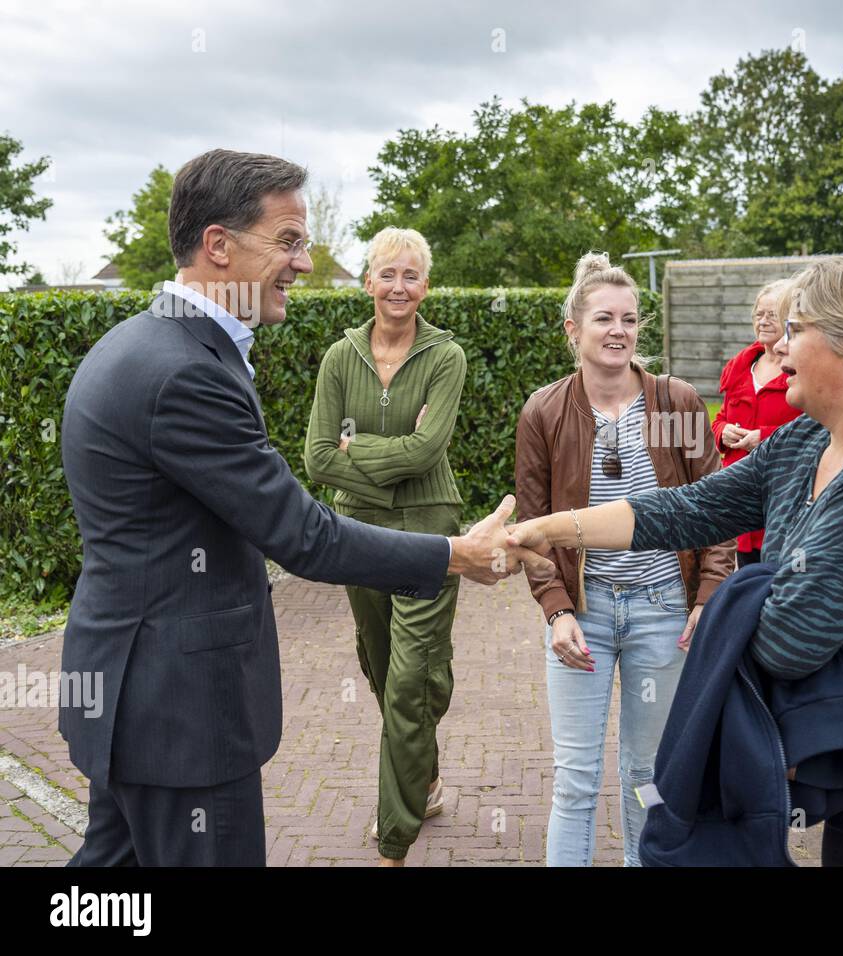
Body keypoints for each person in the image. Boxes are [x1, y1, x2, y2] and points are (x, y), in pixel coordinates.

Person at [58, 148, 548, 867]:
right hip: (180, 713)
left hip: (133, 693)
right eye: (287, 241)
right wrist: (456, 556)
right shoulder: (186, 372)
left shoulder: (143, 343)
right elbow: (304, 534)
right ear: (218, 246)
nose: (306, 263)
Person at [510, 257, 843, 866]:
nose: (778, 349)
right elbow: (684, 510)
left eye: (795, 330)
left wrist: (728, 600)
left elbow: (790, 640)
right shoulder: (810, 437)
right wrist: (545, 529)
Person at [513, 251, 734, 866]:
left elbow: (715, 509)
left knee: (649, 774)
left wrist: (708, 596)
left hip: (665, 610)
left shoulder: (678, 403)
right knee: (576, 778)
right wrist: (556, 610)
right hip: (585, 615)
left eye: (631, 319)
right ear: (573, 329)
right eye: (604, 318)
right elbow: (532, 531)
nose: (619, 331)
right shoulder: (545, 412)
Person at [304, 227, 466, 866]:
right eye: (387, 274)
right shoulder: (339, 358)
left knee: (410, 681)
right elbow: (317, 459)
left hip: (430, 525)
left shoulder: (445, 357)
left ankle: (394, 837)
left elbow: (430, 453)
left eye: (412, 276)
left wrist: (357, 450)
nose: (399, 287)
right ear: (368, 281)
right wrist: (382, 454)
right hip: (359, 532)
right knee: (380, 665)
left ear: (425, 285)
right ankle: (422, 772)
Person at [711, 280, 802, 566]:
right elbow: (720, 418)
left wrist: (763, 437)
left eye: (771, 315)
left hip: (781, 493)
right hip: (739, 492)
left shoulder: (800, 370)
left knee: (780, 574)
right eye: (758, 315)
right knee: (744, 575)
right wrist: (722, 431)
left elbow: (817, 429)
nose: (762, 321)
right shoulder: (740, 367)